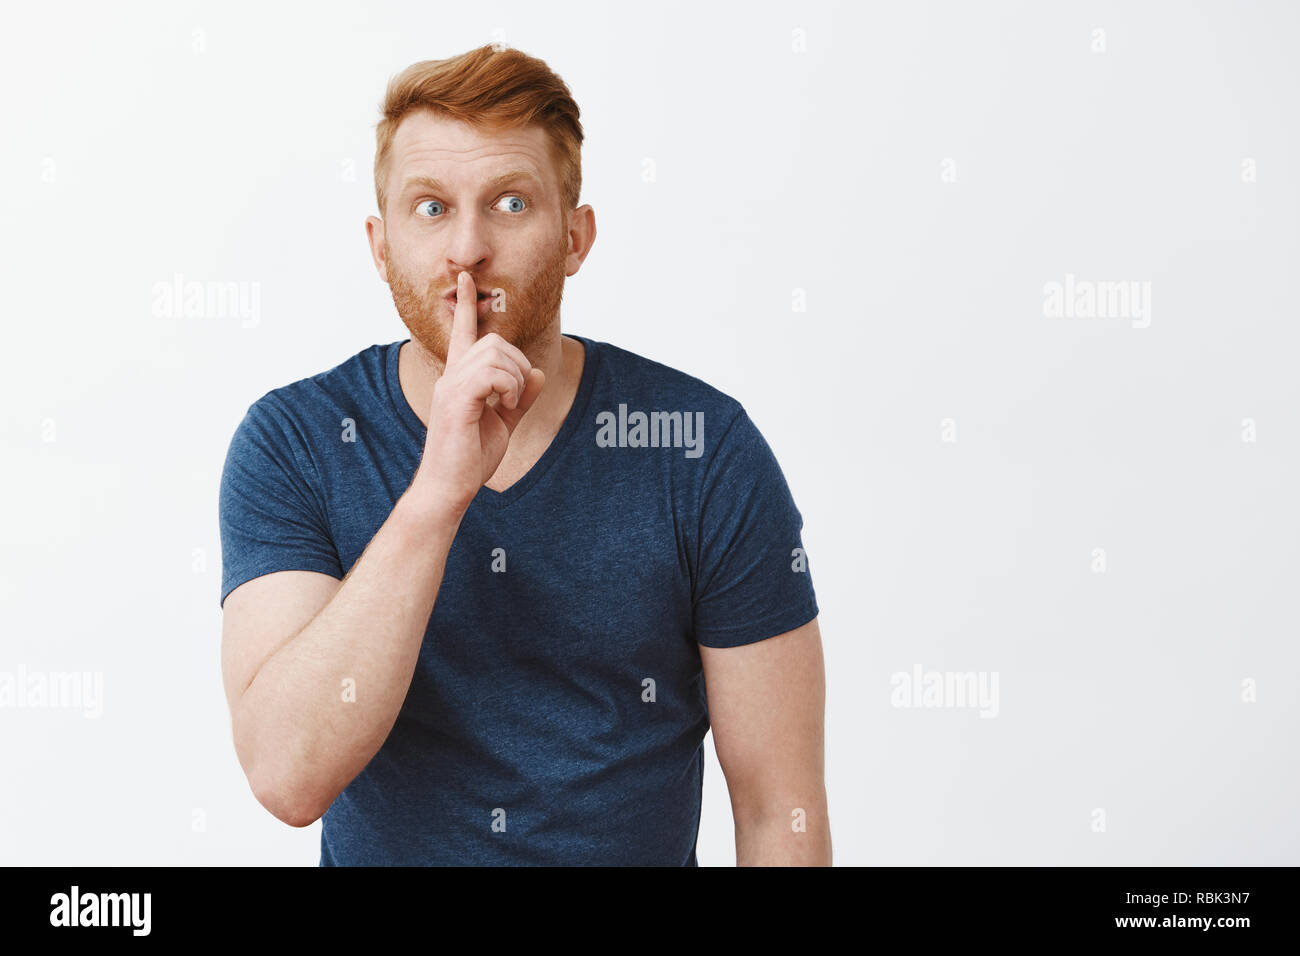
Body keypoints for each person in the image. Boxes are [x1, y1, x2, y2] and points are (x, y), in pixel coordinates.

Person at [218, 44, 829, 866]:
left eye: (509, 203)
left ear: (576, 237)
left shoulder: (703, 449)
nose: (467, 248)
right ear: (379, 244)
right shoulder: (295, 441)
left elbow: (777, 812)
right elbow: (288, 777)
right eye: (429, 208)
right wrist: (439, 491)